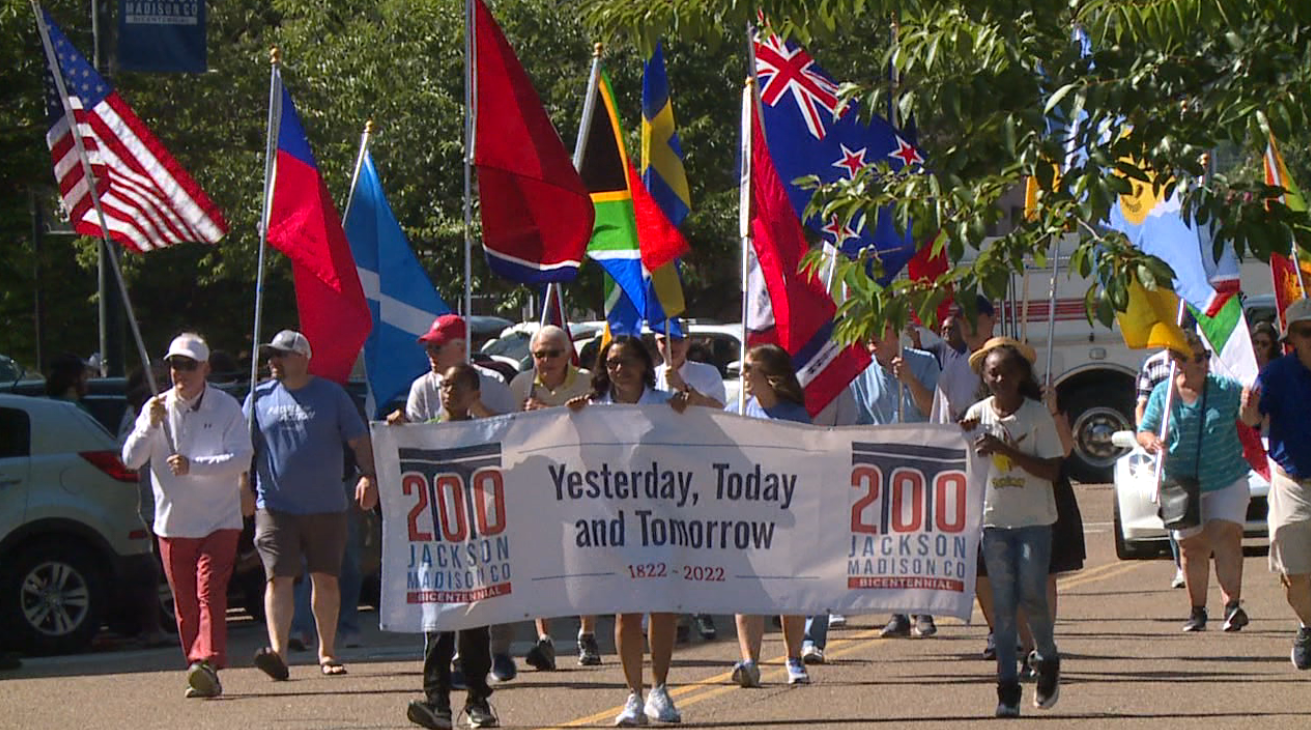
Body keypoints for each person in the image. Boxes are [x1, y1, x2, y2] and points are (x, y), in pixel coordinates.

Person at [565, 335, 690, 726]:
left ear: (643, 365)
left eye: (627, 361)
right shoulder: (594, 409)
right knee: (626, 609)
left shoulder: (662, 405)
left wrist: (687, 404)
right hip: (615, 523)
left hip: (662, 521)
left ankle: (660, 689)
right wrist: (577, 422)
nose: (620, 369)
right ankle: (633, 695)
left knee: (663, 606)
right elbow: (583, 463)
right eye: (612, 362)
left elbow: (699, 439)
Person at [388, 314, 519, 683]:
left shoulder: (492, 383)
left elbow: (513, 434)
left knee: (489, 576)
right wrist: (401, 428)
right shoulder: (421, 388)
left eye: (437, 346)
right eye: (428, 347)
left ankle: (499, 650)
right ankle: (451, 661)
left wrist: (473, 406)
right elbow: (414, 440)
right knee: (443, 579)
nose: (430, 353)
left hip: (484, 497)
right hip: (440, 501)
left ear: (460, 348)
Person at [121, 334, 253, 698]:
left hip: (219, 520)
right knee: (184, 600)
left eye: (189, 365)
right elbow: (130, 459)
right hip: (173, 523)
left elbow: (242, 458)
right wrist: (148, 424)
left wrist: (195, 466)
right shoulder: (156, 407)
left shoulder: (226, 407)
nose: (181, 372)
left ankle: (206, 660)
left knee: (209, 590)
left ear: (206, 368)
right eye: (175, 364)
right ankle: (197, 664)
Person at [244, 330, 378, 681]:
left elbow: (358, 440)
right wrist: (242, 487)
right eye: (272, 356)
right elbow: (245, 449)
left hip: (327, 506)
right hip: (274, 505)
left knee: (326, 579)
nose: (274, 362)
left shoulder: (332, 395)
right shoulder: (258, 397)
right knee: (278, 578)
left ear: (303, 357)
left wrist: (370, 476)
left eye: (282, 355)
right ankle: (279, 653)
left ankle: (327, 651)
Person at [960, 337, 1062, 717]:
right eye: (993, 372)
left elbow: (1051, 470)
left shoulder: (1036, 416)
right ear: (984, 377)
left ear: (1021, 375)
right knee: (1003, 608)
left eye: (1007, 371)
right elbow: (961, 461)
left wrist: (1007, 451)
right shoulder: (977, 413)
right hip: (994, 522)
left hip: (1034, 521)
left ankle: (1047, 656)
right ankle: (1007, 687)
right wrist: (960, 435)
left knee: (1032, 595)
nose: (1000, 378)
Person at [1138, 331, 1251, 633]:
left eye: (1205, 357)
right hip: (1180, 483)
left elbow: (1250, 419)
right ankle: (1197, 610)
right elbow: (1144, 430)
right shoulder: (1164, 394)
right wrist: (1151, 442)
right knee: (1192, 548)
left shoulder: (1225, 389)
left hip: (1225, 476)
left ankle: (1232, 605)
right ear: (1176, 361)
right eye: (1197, 358)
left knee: (1226, 536)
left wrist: (1249, 404)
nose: (1203, 364)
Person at [407, 364, 498, 729]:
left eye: (459, 386)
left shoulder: (484, 430)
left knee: (475, 628)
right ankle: (437, 704)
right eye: (445, 385)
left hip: (477, 542)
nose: (449, 392)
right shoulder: (421, 434)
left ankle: (478, 701)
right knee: (438, 627)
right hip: (438, 546)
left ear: (475, 394)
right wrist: (396, 430)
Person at [720, 344, 813, 688]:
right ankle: (750, 661)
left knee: (790, 590)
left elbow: (809, 463)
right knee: (747, 590)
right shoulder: (736, 411)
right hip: (746, 517)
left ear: (769, 376)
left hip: (787, 517)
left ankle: (793, 657)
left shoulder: (796, 417)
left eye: (748, 368)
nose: (743, 374)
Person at [509, 325, 601, 668]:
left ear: (568, 355)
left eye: (553, 353)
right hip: (535, 483)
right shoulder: (520, 385)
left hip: (578, 482)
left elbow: (601, 429)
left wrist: (561, 413)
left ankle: (586, 633)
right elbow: (507, 432)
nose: (546, 360)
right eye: (539, 354)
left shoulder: (587, 382)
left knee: (581, 560)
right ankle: (544, 637)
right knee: (542, 560)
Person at [1242, 298, 1311, 668]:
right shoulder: (1275, 375)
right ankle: (1307, 625)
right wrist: (1248, 408)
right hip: (1292, 482)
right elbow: (1253, 418)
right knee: (1294, 571)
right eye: (1306, 332)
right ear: (1292, 339)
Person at [653, 319, 726, 642]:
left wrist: (685, 389)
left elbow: (719, 408)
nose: (672, 346)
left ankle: (702, 608)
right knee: (667, 542)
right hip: (661, 469)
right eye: (664, 340)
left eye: (678, 339)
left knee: (696, 540)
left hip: (698, 463)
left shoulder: (706, 373)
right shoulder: (650, 376)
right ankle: (676, 613)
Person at [1135, 347, 1186, 588]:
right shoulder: (1153, 365)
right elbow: (1142, 405)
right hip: (1166, 449)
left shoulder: (1203, 359)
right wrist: (1145, 435)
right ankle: (1181, 567)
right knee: (1175, 510)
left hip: (1201, 444)